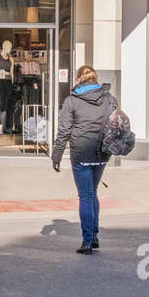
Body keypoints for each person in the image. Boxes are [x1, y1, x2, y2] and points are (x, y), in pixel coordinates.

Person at [52, 65, 116, 254]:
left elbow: (64, 131)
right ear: (95, 78)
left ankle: (87, 240)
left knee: (86, 195)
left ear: (79, 79)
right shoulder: (109, 98)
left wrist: (56, 155)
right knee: (93, 192)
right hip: (102, 152)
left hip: (80, 153)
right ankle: (94, 235)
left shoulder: (72, 101)